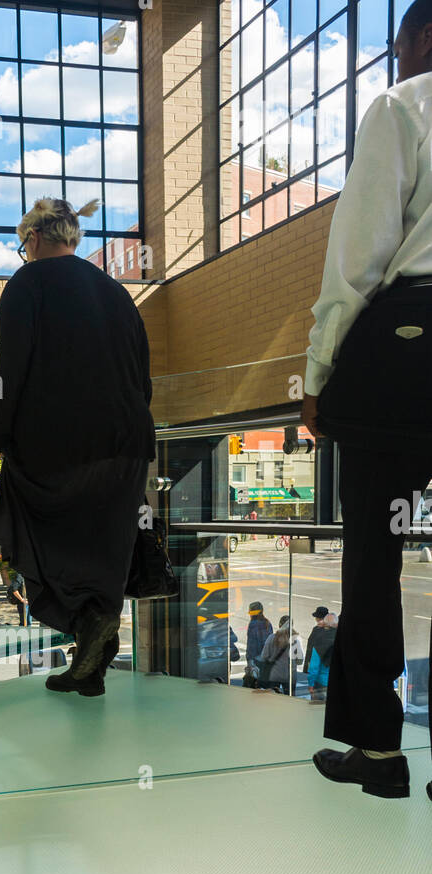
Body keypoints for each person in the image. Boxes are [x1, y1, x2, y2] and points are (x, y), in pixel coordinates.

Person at [302, 3, 432, 799]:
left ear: (421, 40)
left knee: (375, 556)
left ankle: (380, 754)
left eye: (399, 48)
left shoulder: (404, 104)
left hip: (408, 354)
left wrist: (318, 376)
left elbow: (359, 253)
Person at [0, 197, 157, 698]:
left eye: (23, 246)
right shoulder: (116, 291)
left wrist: (3, 429)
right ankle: (93, 660)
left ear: (35, 239)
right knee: (102, 546)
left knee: (38, 531)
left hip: (57, 443)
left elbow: (8, 369)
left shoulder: (27, 284)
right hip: (126, 443)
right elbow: (142, 376)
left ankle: (88, 628)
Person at [306, 610, 338, 703]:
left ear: (324, 624)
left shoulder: (319, 640)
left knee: (317, 710)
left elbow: (314, 666)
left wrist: (311, 684)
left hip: (321, 683)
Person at [244, 602, 273, 687]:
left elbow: (251, 645)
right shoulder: (267, 623)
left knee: (254, 686)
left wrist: (249, 660)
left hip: (256, 660)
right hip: (267, 659)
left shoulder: (253, 624)